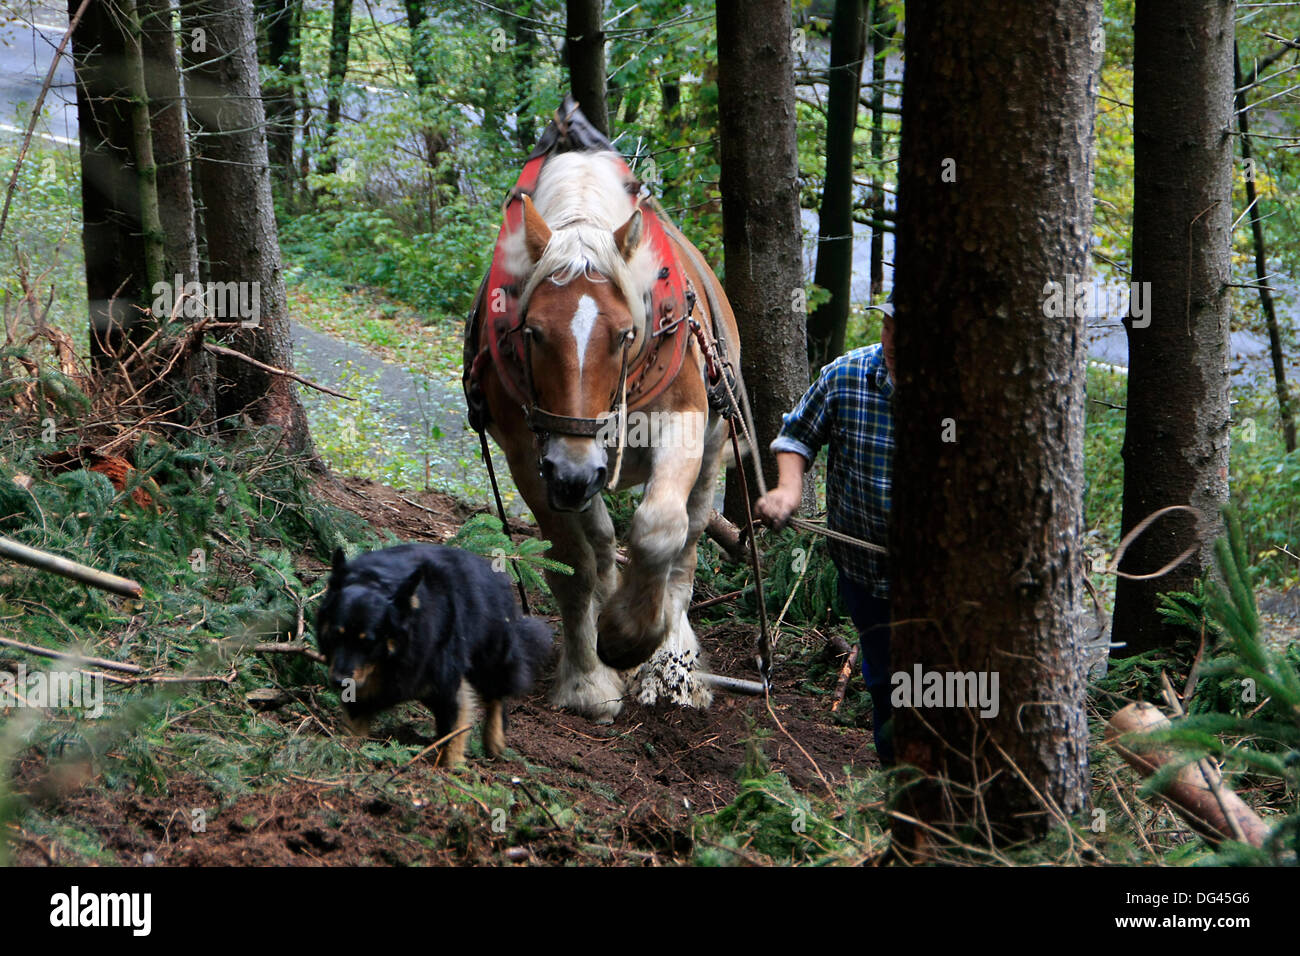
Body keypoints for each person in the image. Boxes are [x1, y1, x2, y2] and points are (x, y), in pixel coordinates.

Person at [755, 307, 896, 765]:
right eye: (889, 325)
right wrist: (787, 491)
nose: (893, 339)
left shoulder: (968, 386)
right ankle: (899, 780)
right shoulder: (846, 375)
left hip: (942, 583)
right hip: (864, 573)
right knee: (884, 680)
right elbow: (798, 437)